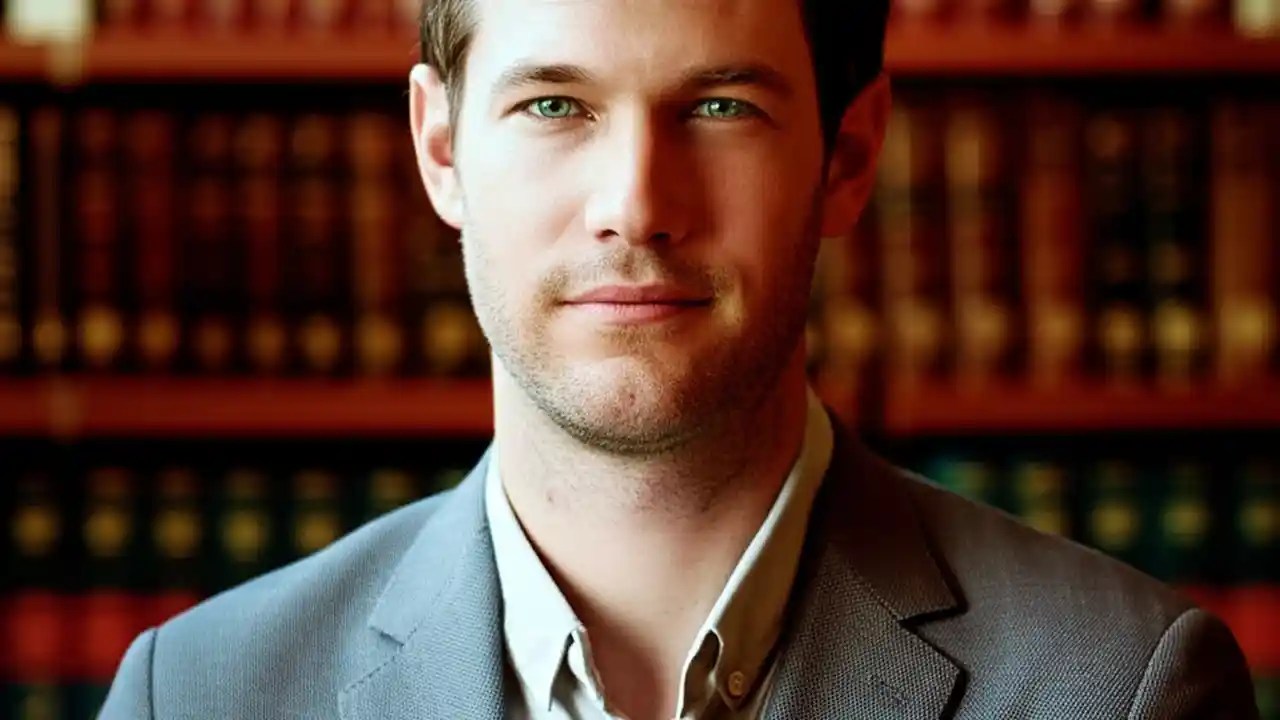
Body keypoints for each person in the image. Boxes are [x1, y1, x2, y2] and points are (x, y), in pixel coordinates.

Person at [100, 0, 1261, 716]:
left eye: (717, 108)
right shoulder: (198, 695)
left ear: (847, 157)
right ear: (441, 149)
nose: (636, 207)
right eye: (555, 105)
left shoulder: (1117, 689)